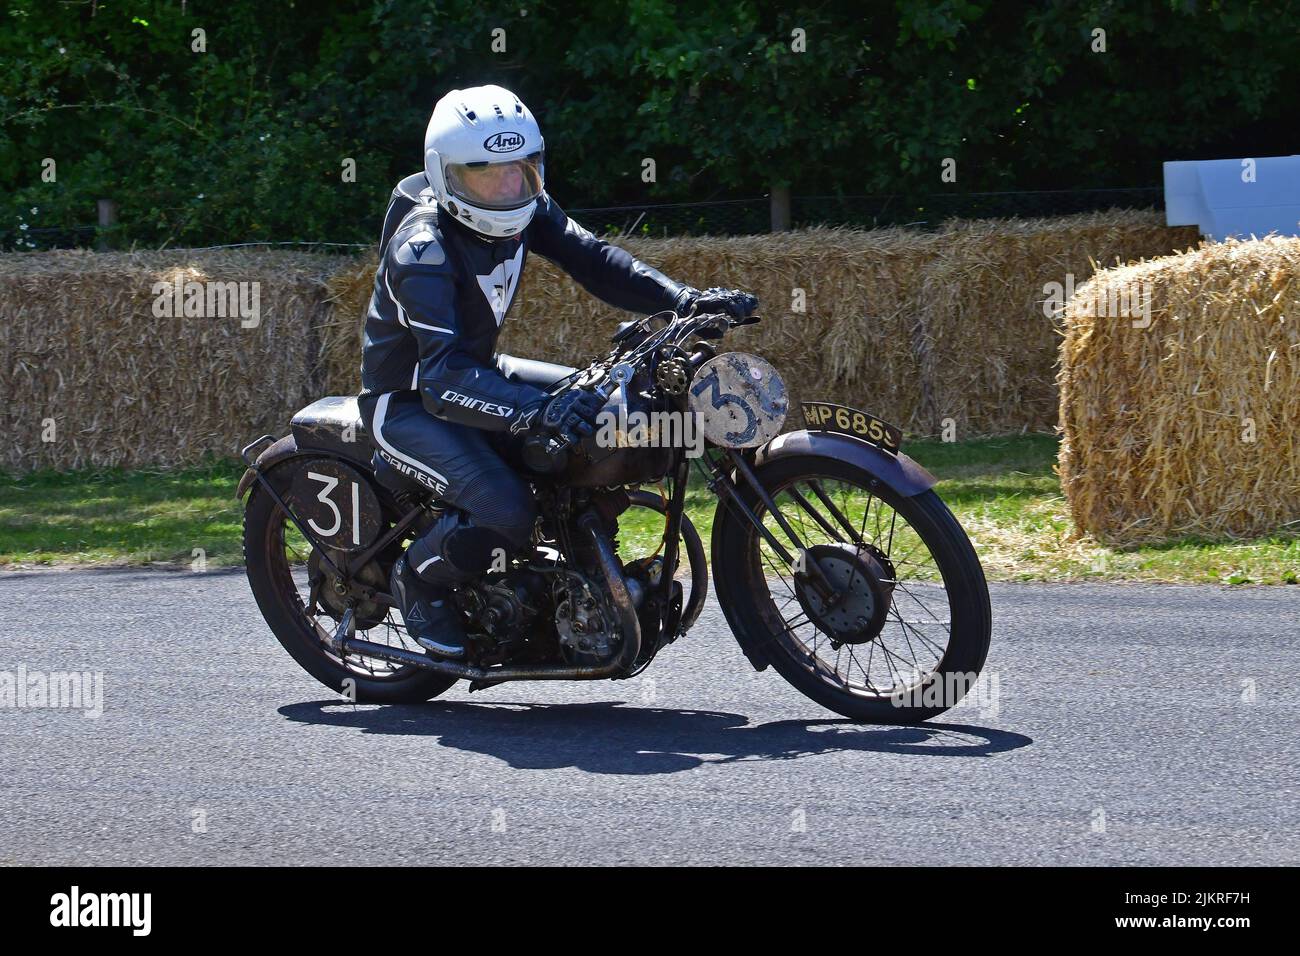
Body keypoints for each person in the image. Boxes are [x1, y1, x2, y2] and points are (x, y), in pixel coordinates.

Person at [357, 84, 757, 659]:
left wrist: (683, 299)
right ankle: (420, 580)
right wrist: (535, 409)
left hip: (480, 373)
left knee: (611, 408)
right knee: (506, 509)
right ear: (446, 176)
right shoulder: (423, 249)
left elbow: (594, 258)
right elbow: (443, 380)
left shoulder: (526, 209)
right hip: (411, 401)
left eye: (522, 169)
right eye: (486, 175)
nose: (508, 187)